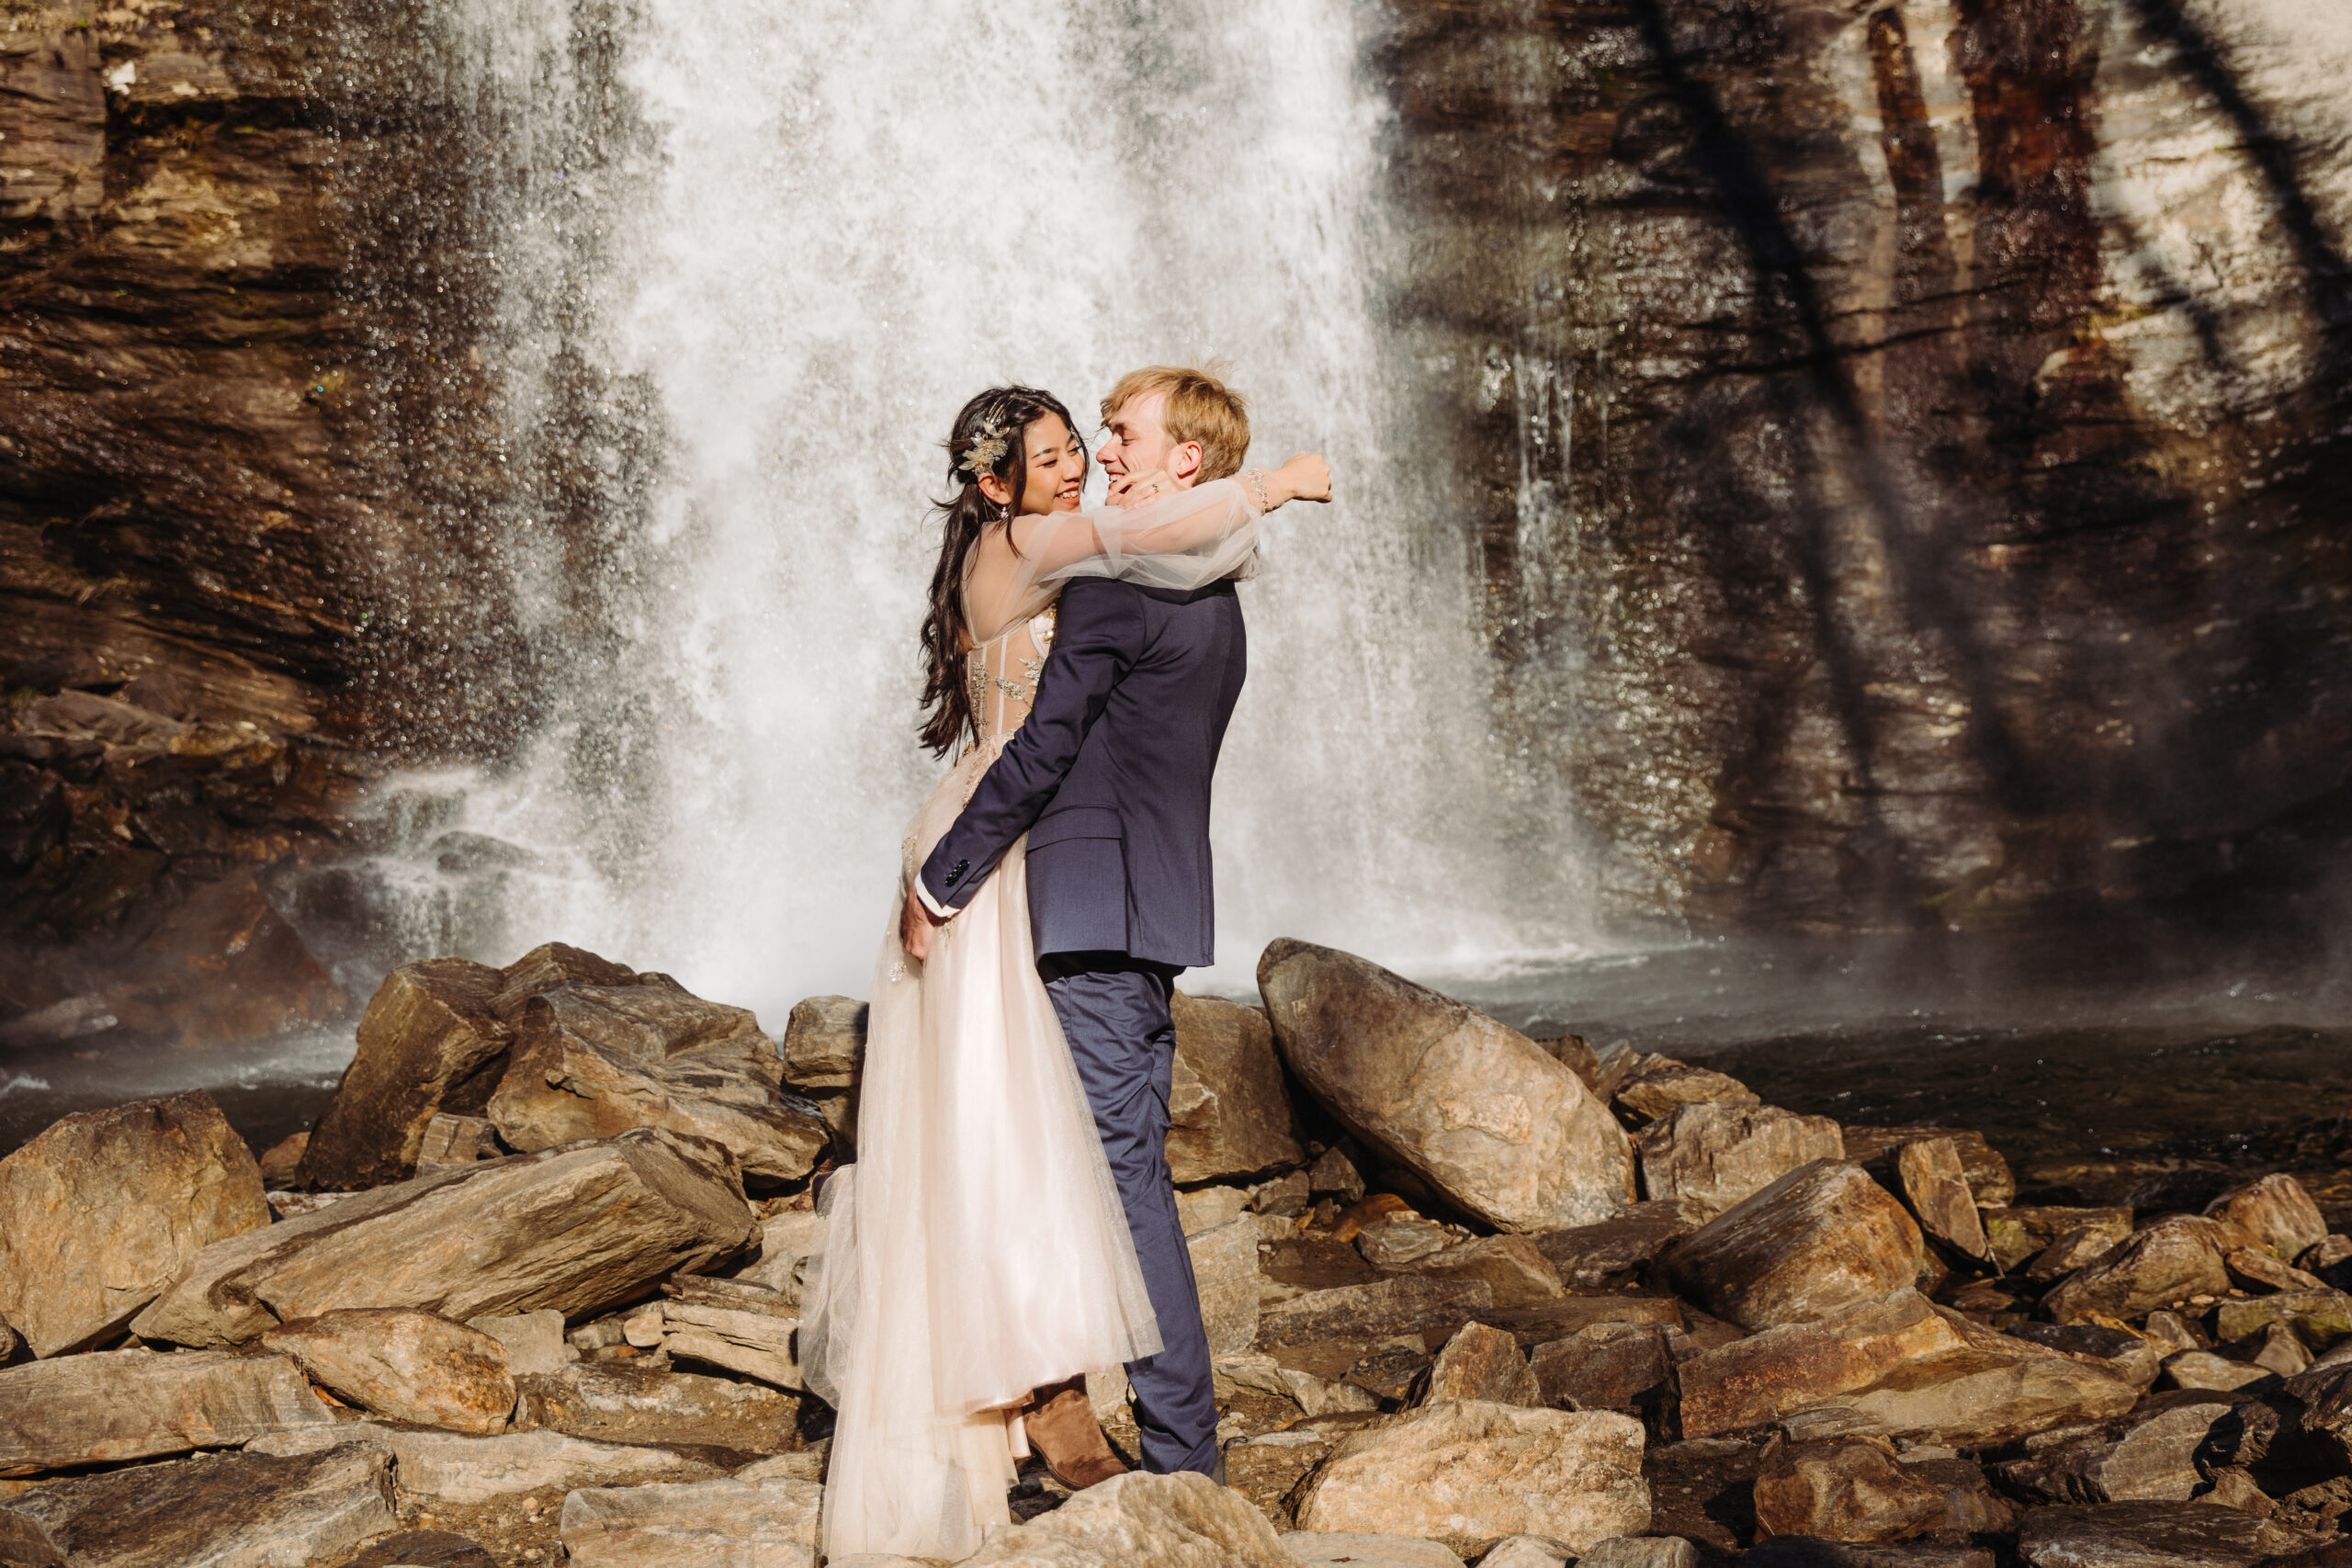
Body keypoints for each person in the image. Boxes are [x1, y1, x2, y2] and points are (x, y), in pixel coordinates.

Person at [802, 377, 1330, 1562]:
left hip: (1058, 890)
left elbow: (1047, 740)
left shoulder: (1110, 592)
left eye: (1114, 437)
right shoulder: (1186, 595)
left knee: (1067, 1160)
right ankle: (1078, 1412)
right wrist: (1277, 488)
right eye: (1063, 448)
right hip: (1099, 897)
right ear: (997, 484)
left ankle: (1132, 1435)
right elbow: (1136, 605)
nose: (1094, 456)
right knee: (1075, 1157)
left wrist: (940, 880)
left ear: (1184, 458)